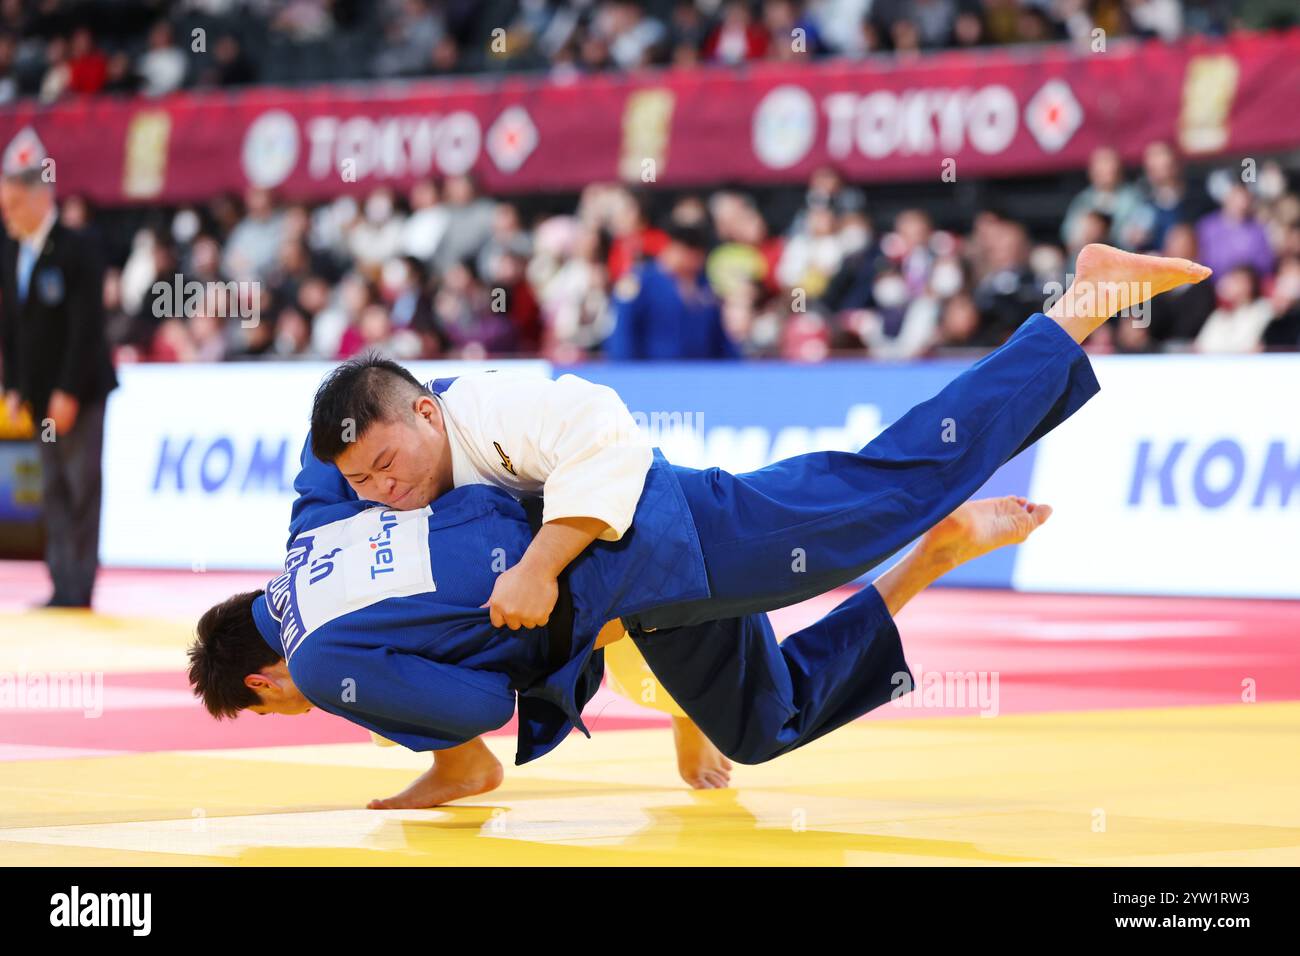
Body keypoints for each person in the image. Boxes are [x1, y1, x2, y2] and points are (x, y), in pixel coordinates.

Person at [188, 244, 1210, 808]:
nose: (379, 489)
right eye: (359, 478)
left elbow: (478, 709)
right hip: (649, 596)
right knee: (762, 727)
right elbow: (319, 459)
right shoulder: (322, 501)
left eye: (386, 464)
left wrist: (530, 575)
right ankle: (930, 560)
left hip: (665, 531)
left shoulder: (484, 414)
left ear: (270, 679)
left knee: (887, 485)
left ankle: (1079, 302)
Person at [0, 128, 117, 608]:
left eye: (11, 204)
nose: (6, 214)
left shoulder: (78, 248)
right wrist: (11, 384)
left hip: (79, 394)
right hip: (36, 393)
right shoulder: (11, 250)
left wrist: (67, 390)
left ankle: (79, 588)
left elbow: (86, 329)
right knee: (51, 489)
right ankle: (60, 583)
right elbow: (12, 324)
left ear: (36, 196)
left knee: (81, 485)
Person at [606, 220, 739, 360]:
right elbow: (623, 332)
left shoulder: (705, 287)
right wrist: (624, 371)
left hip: (698, 373)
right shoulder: (641, 283)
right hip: (654, 371)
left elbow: (720, 340)